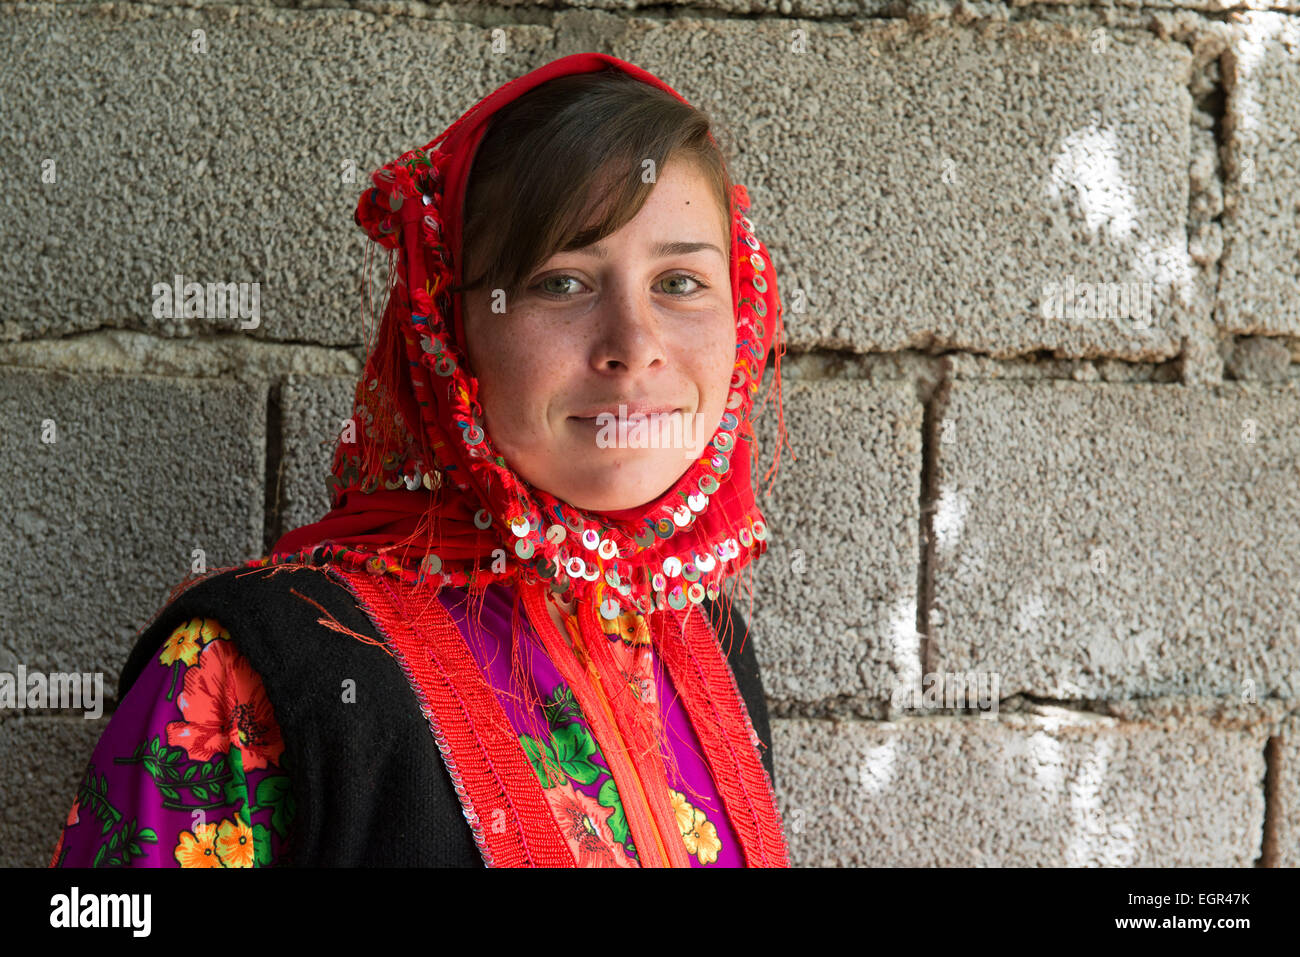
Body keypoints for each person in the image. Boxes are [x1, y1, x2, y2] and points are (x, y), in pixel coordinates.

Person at [49, 52, 790, 868]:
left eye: (681, 281)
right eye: (561, 283)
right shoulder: (239, 672)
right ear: (447, 326)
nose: (635, 346)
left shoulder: (705, 642)